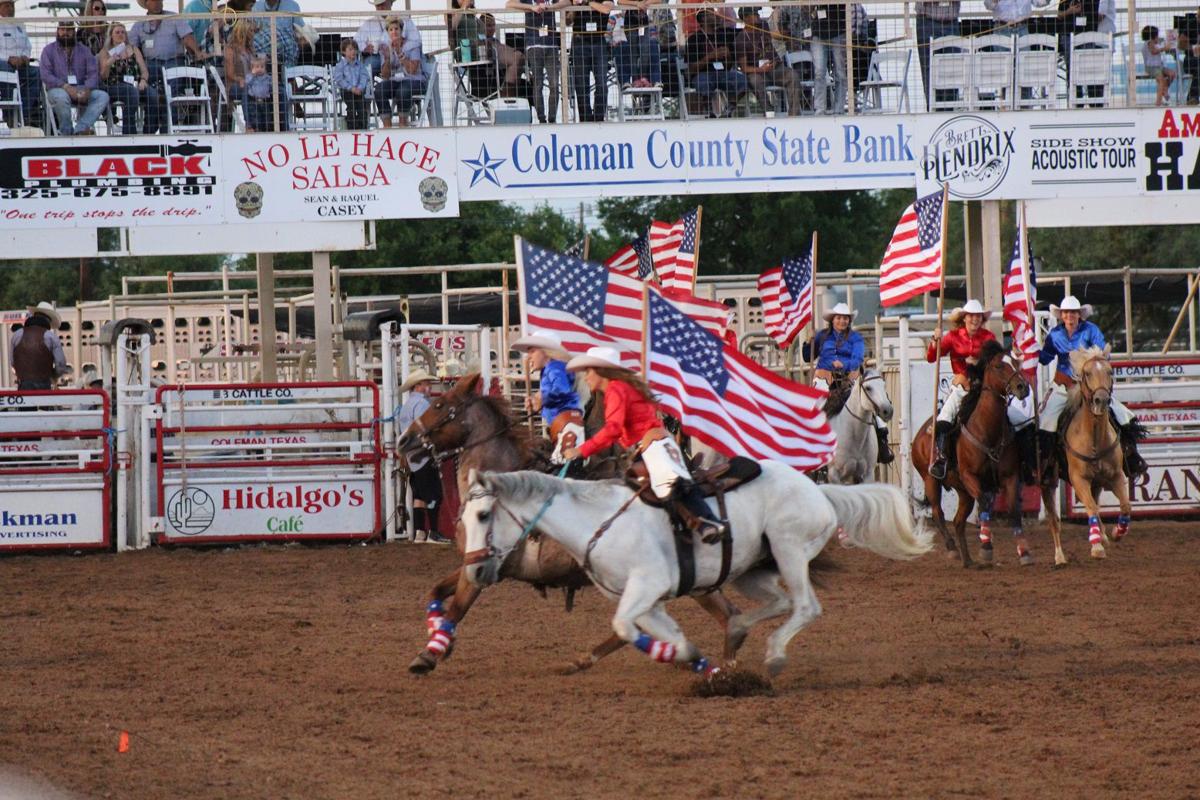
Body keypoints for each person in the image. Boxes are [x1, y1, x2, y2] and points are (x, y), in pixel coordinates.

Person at [560, 346, 727, 543]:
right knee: (660, 485)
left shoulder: (616, 389)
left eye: (588, 371)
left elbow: (613, 428)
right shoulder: (621, 388)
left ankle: (707, 522)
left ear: (600, 371)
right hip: (651, 443)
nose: (586, 377)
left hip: (652, 443)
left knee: (668, 483)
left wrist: (581, 449)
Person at [1037, 295, 1146, 477]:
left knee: (1123, 415)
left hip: (1089, 387)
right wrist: (1032, 351)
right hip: (1064, 386)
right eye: (1066, 313)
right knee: (1046, 420)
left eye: (1073, 313)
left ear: (1079, 315)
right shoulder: (1054, 335)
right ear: (1061, 315)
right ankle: (1048, 464)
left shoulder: (1090, 330)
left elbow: (1104, 353)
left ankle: (1130, 457)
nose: (1070, 316)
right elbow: (1045, 358)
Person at [925, 300, 1034, 481]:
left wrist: (1012, 354)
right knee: (944, 419)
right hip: (962, 387)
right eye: (971, 316)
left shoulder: (988, 337)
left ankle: (1025, 462)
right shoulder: (952, 336)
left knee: (1020, 420)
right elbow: (931, 358)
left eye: (978, 316)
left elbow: (998, 361)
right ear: (964, 318)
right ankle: (942, 460)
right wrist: (935, 342)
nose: (975, 319)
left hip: (985, 389)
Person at [803, 302, 893, 465]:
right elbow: (807, 356)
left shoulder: (855, 338)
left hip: (849, 380)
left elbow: (858, 358)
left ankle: (882, 445)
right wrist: (809, 343)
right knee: (812, 411)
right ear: (833, 319)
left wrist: (843, 365)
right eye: (839, 318)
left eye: (845, 318)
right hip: (824, 379)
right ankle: (811, 450)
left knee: (870, 405)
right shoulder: (821, 336)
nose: (842, 321)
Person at [129, 0, 207, 134]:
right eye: (154, 0)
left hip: (173, 61)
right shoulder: (139, 24)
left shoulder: (174, 17)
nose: (158, 2)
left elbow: (187, 37)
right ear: (146, 3)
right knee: (149, 91)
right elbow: (131, 47)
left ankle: (169, 128)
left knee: (173, 90)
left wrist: (197, 52)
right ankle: (151, 126)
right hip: (150, 64)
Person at [511, 331, 585, 464]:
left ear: (545, 352)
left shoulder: (554, 367)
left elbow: (561, 389)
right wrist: (537, 402)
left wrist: (542, 399)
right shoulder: (553, 368)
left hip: (565, 423)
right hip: (563, 423)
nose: (529, 357)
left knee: (561, 463)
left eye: (532, 351)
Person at [396, 370, 450, 544]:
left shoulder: (406, 407)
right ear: (417, 386)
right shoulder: (422, 405)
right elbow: (426, 428)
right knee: (434, 493)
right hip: (424, 454)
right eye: (426, 383)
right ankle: (433, 532)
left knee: (419, 494)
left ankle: (420, 532)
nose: (429, 387)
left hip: (411, 456)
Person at [40, 21, 110, 135]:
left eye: (68, 30)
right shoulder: (48, 50)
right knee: (61, 97)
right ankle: (66, 132)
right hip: (58, 89)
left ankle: (81, 129)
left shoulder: (84, 50)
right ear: (57, 31)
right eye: (62, 30)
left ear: (74, 32)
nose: (65, 33)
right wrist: (65, 86)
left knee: (102, 96)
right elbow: (45, 75)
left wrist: (87, 89)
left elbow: (93, 73)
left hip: (81, 88)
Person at [505, 0, 565, 122]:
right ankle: (541, 118)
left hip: (551, 46)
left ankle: (552, 118)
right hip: (533, 46)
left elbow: (566, 2)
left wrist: (550, 7)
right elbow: (509, 4)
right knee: (538, 84)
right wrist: (531, 7)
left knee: (554, 84)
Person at [736, 6, 799, 115]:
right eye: (754, 14)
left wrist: (774, 61)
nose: (758, 15)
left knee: (793, 75)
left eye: (757, 13)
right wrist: (761, 69)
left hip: (774, 68)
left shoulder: (763, 26)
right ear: (745, 18)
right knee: (755, 81)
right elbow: (744, 68)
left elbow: (773, 44)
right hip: (757, 72)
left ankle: (794, 115)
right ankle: (769, 112)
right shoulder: (741, 38)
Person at [684, 9, 748, 116]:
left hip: (724, 72)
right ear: (703, 19)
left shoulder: (724, 34)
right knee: (703, 83)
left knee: (743, 81)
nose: (717, 16)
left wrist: (728, 56)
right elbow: (691, 69)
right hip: (703, 73)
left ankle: (729, 108)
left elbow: (729, 65)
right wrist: (710, 57)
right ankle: (709, 111)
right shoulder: (694, 38)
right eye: (712, 14)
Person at [568, 0, 614, 122]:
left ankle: (598, 118)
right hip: (579, 41)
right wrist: (574, 8)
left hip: (599, 41)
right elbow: (567, 20)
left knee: (602, 83)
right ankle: (585, 120)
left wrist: (587, 3)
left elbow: (606, 9)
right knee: (581, 85)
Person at [99, 22, 148, 134]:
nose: (120, 34)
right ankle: (129, 131)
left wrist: (143, 80)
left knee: (152, 95)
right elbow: (103, 76)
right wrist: (108, 63)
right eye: (117, 32)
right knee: (131, 92)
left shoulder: (134, 49)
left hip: (135, 84)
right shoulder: (105, 52)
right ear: (111, 35)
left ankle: (149, 131)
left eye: (123, 32)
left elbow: (144, 70)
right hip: (113, 86)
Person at [377, 14, 424, 128]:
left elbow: (413, 70)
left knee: (403, 91)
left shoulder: (412, 44)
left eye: (396, 29)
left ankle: (403, 124)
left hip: (414, 80)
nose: (394, 32)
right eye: (391, 29)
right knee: (379, 90)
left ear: (401, 30)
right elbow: (385, 76)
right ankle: (387, 126)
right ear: (387, 32)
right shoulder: (385, 47)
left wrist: (399, 53)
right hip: (395, 80)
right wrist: (387, 59)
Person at [0, 0, 42, 128]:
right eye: (7, 5)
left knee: (37, 73)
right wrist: (8, 59)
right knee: (8, 72)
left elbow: (27, 45)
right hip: (3, 63)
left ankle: (23, 114)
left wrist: (24, 58)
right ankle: (10, 116)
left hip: (20, 63)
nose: (10, 8)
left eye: (12, 5)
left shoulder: (19, 24)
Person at [10, 302, 67, 390]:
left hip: (23, 387)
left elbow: (13, 362)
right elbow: (61, 365)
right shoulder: (51, 337)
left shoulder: (17, 335)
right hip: (44, 386)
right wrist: (53, 375)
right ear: (48, 321)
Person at [914, 0, 959, 111]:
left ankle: (949, 112)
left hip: (951, 21)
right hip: (927, 21)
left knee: (952, 70)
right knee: (929, 70)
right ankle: (933, 112)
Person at [613, 0, 662, 90]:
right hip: (630, 23)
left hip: (643, 21)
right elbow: (620, 2)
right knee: (632, 50)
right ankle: (635, 80)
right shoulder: (616, 17)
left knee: (646, 47)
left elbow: (659, 1)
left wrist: (645, 2)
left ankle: (645, 78)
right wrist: (636, 4)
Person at [808, 3, 846, 114]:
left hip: (838, 30)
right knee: (819, 71)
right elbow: (807, 7)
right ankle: (820, 109)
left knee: (840, 72)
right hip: (818, 32)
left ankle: (839, 109)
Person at [333, 37, 370, 129]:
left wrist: (360, 87)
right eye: (350, 49)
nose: (353, 51)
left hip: (359, 91)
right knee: (351, 107)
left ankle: (363, 128)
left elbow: (364, 77)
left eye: (355, 49)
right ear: (343, 52)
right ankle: (352, 128)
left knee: (362, 108)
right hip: (347, 91)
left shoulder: (360, 65)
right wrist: (351, 88)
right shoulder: (340, 65)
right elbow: (339, 79)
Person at [356, 0, 394, 77]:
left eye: (383, 4)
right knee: (366, 69)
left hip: (397, 55)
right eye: (378, 5)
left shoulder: (401, 19)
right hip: (377, 57)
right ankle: (367, 89)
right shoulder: (369, 22)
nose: (380, 7)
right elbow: (356, 40)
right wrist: (364, 48)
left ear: (390, 3)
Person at [1142, 26, 1175, 106]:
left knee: (1172, 73)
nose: (1158, 37)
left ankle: (1165, 88)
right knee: (1161, 80)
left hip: (1159, 66)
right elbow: (1154, 51)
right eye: (1157, 35)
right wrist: (1164, 48)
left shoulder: (1156, 43)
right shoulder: (1149, 43)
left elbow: (1159, 47)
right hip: (1151, 67)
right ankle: (1158, 102)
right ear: (1153, 37)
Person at [983, 0, 1053, 38]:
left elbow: (1040, 2)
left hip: (1022, 28)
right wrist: (993, 1)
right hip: (1002, 29)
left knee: (1024, 61)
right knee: (1000, 61)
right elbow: (988, 6)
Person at [242, 52, 273, 131]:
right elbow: (247, 83)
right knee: (256, 118)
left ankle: (266, 130)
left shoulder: (267, 78)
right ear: (252, 68)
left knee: (267, 118)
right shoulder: (250, 77)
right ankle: (256, 129)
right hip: (254, 100)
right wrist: (253, 74)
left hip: (265, 101)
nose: (259, 69)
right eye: (257, 67)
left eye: (262, 67)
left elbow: (271, 85)